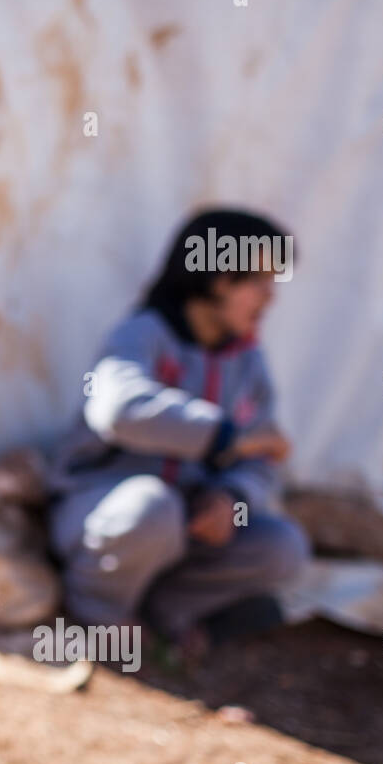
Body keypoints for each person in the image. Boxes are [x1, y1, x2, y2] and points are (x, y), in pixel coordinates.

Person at [47, 208, 311, 662]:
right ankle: (98, 618)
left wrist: (231, 495)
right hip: (104, 509)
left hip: (186, 524)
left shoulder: (247, 359)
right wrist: (228, 435)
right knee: (152, 506)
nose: (270, 298)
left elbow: (262, 459)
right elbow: (118, 409)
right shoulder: (142, 335)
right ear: (219, 278)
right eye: (261, 281)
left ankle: (164, 615)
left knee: (282, 545)